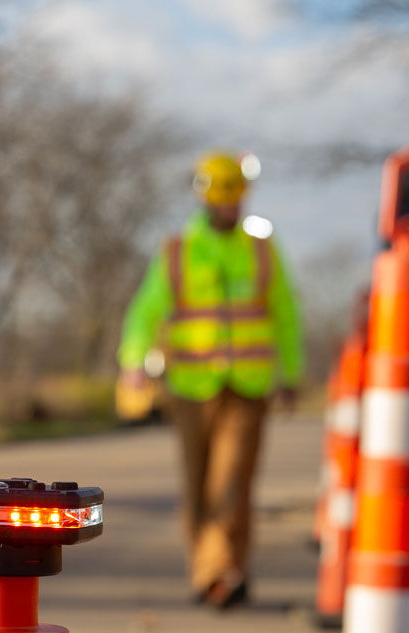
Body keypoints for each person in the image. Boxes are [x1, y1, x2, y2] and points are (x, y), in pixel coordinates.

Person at [117, 150, 304, 609]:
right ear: (205, 199)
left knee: (230, 481)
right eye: (222, 199)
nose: (229, 207)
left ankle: (218, 572)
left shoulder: (261, 250)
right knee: (198, 488)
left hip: (248, 388)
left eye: (234, 198)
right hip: (191, 388)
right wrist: (133, 362)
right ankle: (218, 570)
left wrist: (291, 373)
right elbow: (145, 310)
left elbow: (285, 313)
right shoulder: (178, 250)